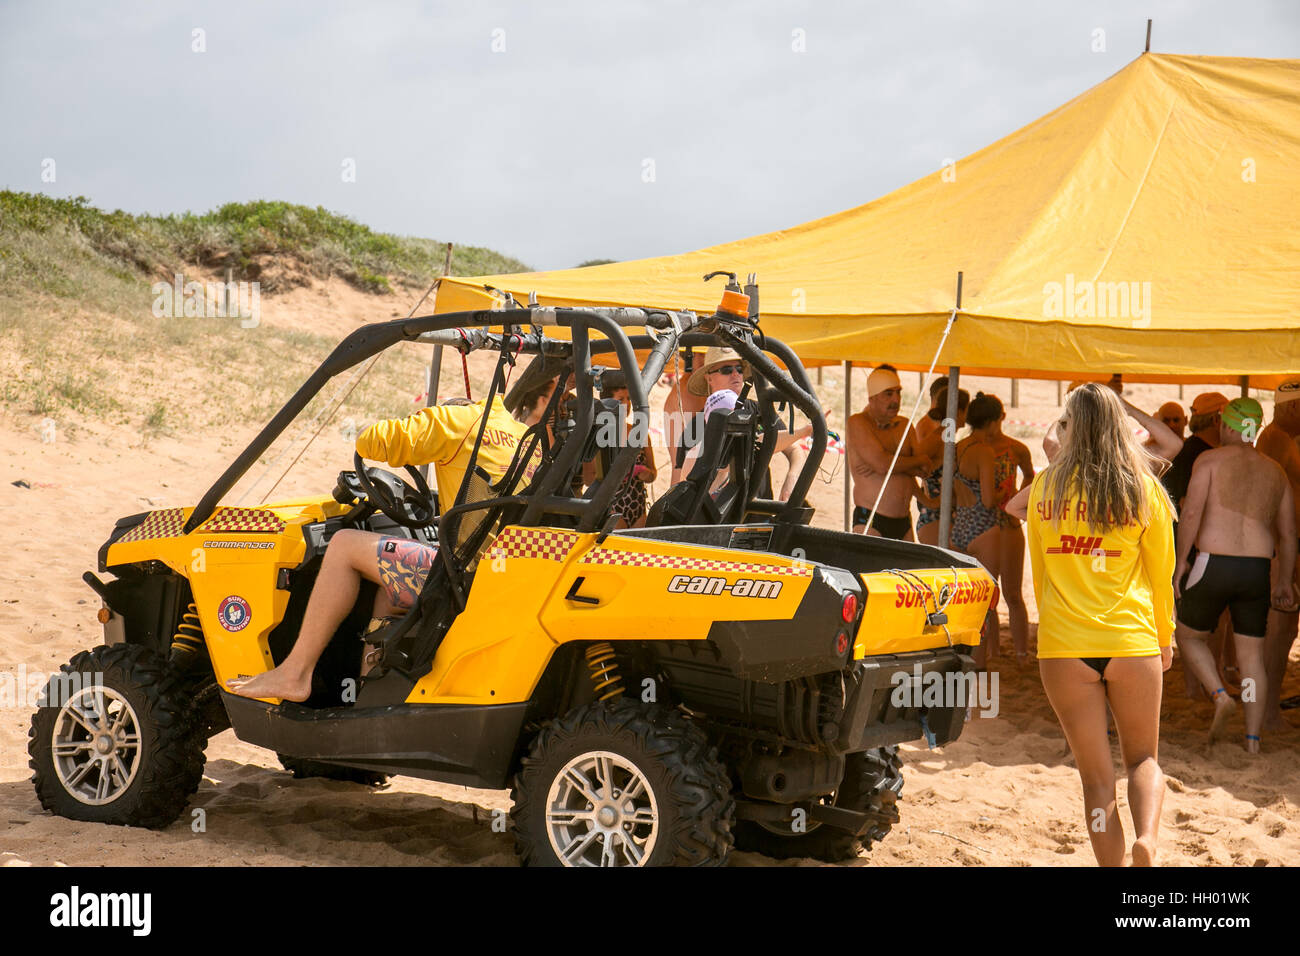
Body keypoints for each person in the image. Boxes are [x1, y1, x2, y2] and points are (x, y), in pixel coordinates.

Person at [226, 395, 529, 702]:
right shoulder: (522, 437)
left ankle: (295, 674)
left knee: (343, 545)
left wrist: (424, 421)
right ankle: (369, 696)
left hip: (463, 583)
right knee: (389, 588)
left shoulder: (460, 422)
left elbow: (372, 443)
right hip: (502, 579)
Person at [1027, 383, 1176, 867]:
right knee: (1144, 759)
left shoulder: (1045, 487)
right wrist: (1164, 637)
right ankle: (1148, 840)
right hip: (1131, 639)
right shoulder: (1144, 488)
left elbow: (1040, 573)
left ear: (1071, 426)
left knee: (1095, 779)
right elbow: (1161, 577)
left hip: (1065, 645)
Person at [1174, 398, 1296, 752]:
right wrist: (1285, 579)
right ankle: (1253, 739)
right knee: (1251, 658)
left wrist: (1182, 560)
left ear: (1226, 426)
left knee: (1189, 637)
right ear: (1255, 430)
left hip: (1214, 561)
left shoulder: (1209, 460)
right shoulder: (1274, 470)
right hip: (1256, 568)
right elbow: (1288, 534)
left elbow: (1192, 512)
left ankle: (1218, 694)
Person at [1257, 377, 1300, 731]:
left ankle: (1269, 709)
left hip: (1287, 548)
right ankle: (1268, 711)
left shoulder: (1286, 440)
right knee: (1278, 632)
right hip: (1282, 550)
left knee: (1285, 631)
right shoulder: (1275, 441)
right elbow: (1268, 504)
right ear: (1294, 407)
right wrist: (1280, 563)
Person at [845, 365, 930, 539]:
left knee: (908, 568)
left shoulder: (905, 425)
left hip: (904, 521)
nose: (896, 399)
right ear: (872, 398)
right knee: (872, 567)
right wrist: (914, 460)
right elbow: (883, 465)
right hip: (872, 518)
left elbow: (924, 470)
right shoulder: (858, 423)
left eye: (898, 393)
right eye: (888, 393)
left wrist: (893, 463)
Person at [950, 393, 1004, 664]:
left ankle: (960, 658)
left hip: (960, 525)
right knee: (986, 602)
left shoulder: (958, 447)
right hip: (983, 526)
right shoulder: (984, 451)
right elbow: (988, 498)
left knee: (963, 601)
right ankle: (979, 664)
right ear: (993, 423)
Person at [988, 401, 1035, 664]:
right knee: (989, 593)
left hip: (1009, 522)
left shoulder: (1017, 448)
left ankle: (1021, 652)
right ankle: (994, 650)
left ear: (1003, 418)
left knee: (1013, 592)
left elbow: (1031, 475)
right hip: (986, 523)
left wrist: (1018, 497)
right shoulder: (976, 448)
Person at [599, 369, 658, 528]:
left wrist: (647, 474)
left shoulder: (641, 433)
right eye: (620, 399)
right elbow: (592, 478)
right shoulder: (601, 435)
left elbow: (653, 472)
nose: (626, 404)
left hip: (637, 504)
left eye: (629, 399)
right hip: (612, 505)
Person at [915, 386, 969, 546]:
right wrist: (926, 500)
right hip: (934, 519)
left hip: (946, 517)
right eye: (966, 410)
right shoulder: (938, 438)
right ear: (958, 411)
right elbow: (907, 466)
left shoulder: (948, 437)